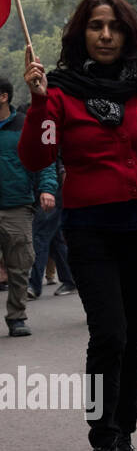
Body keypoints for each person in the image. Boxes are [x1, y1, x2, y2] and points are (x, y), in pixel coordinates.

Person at [19, 0, 137, 451]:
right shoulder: (59, 91)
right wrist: (40, 104)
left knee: (134, 339)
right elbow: (38, 159)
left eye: (115, 27)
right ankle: (101, 442)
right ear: (80, 34)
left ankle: (124, 437)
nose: (106, 35)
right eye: (95, 26)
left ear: (128, 34)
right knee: (107, 335)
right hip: (90, 230)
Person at [2, 78, 57, 336]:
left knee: (19, 265)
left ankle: (16, 317)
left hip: (18, 206)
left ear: (3, 97)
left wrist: (47, 188)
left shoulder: (26, 125)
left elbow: (45, 159)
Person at [27, 157, 77, 296]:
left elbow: (53, 165)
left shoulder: (47, 139)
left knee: (39, 237)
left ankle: (34, 285)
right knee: (56, 241)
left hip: (50, 191)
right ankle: (70, 280)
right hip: (48, 190)